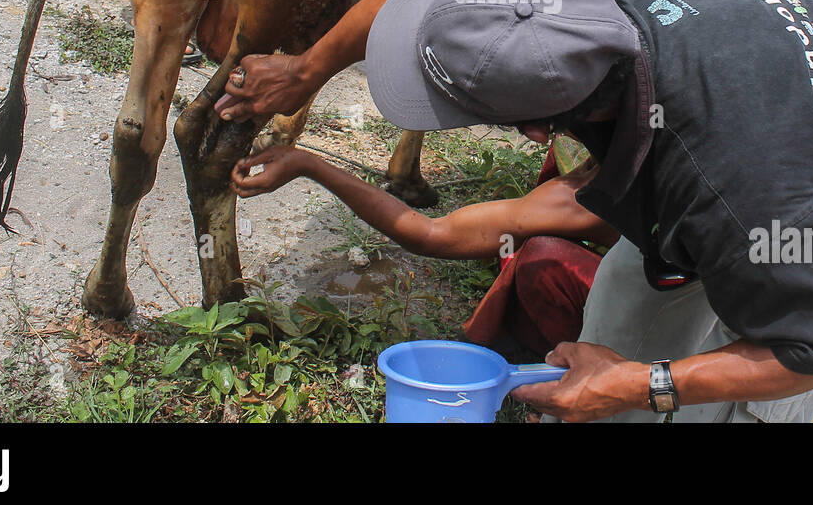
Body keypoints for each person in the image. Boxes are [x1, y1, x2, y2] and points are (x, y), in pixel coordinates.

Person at [220, 0, 813, 423]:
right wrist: (308, 73)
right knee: (620, 314)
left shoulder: (732, 182)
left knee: (732, 395)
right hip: (764, 103)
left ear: (544, 129)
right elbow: (442, 222)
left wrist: (645, 384)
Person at [232, 141, 614, 358]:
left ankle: (581, 371)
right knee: (521, 242)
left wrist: (310, 166)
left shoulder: (588, 197)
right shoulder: (607, 154)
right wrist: (306, 163)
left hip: (662, 333)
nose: (529, 130)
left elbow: (432, 234)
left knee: (540, 255)